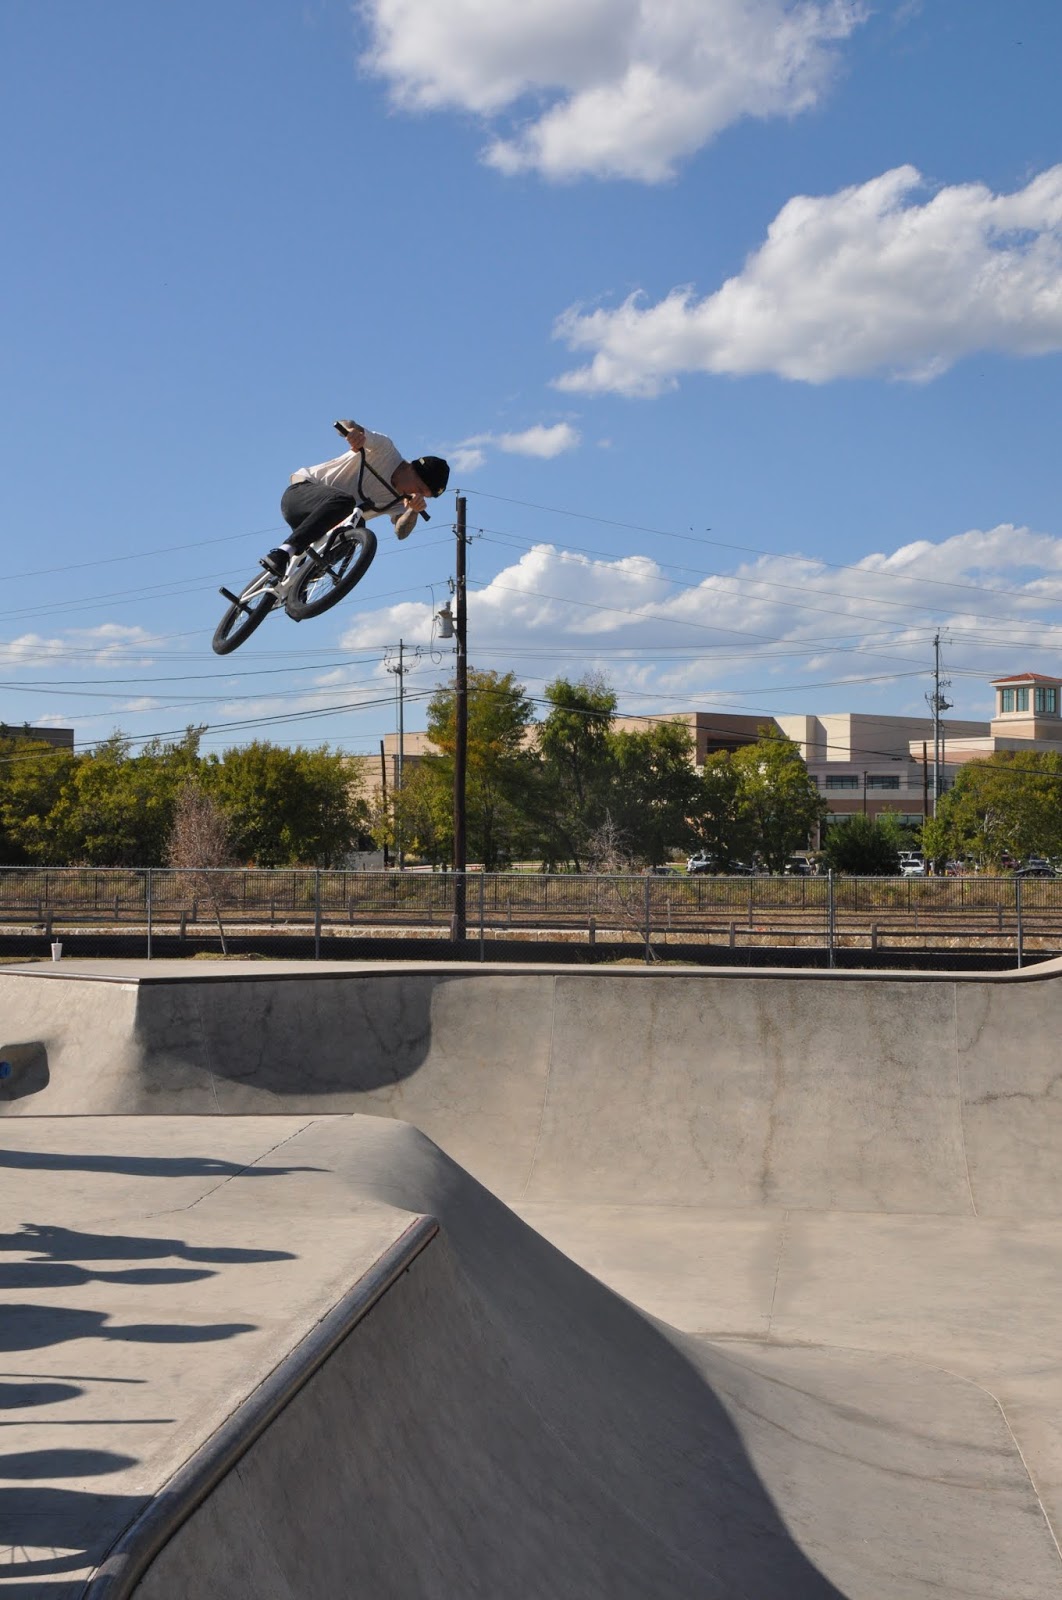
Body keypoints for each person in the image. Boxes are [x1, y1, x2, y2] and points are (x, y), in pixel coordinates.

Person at [260, 420, 450, 577]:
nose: (414, 495)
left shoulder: (401, 502)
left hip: (322, 525)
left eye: (422, 496)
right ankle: (283, 552)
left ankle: (302, 583)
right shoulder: (386, 450)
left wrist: (412, 511)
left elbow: (401, 533)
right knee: (346, 502)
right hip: (301, 495)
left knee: (356, 533)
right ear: (412, 469)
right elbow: (349, 424)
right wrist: (352, 434)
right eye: (418, 489)